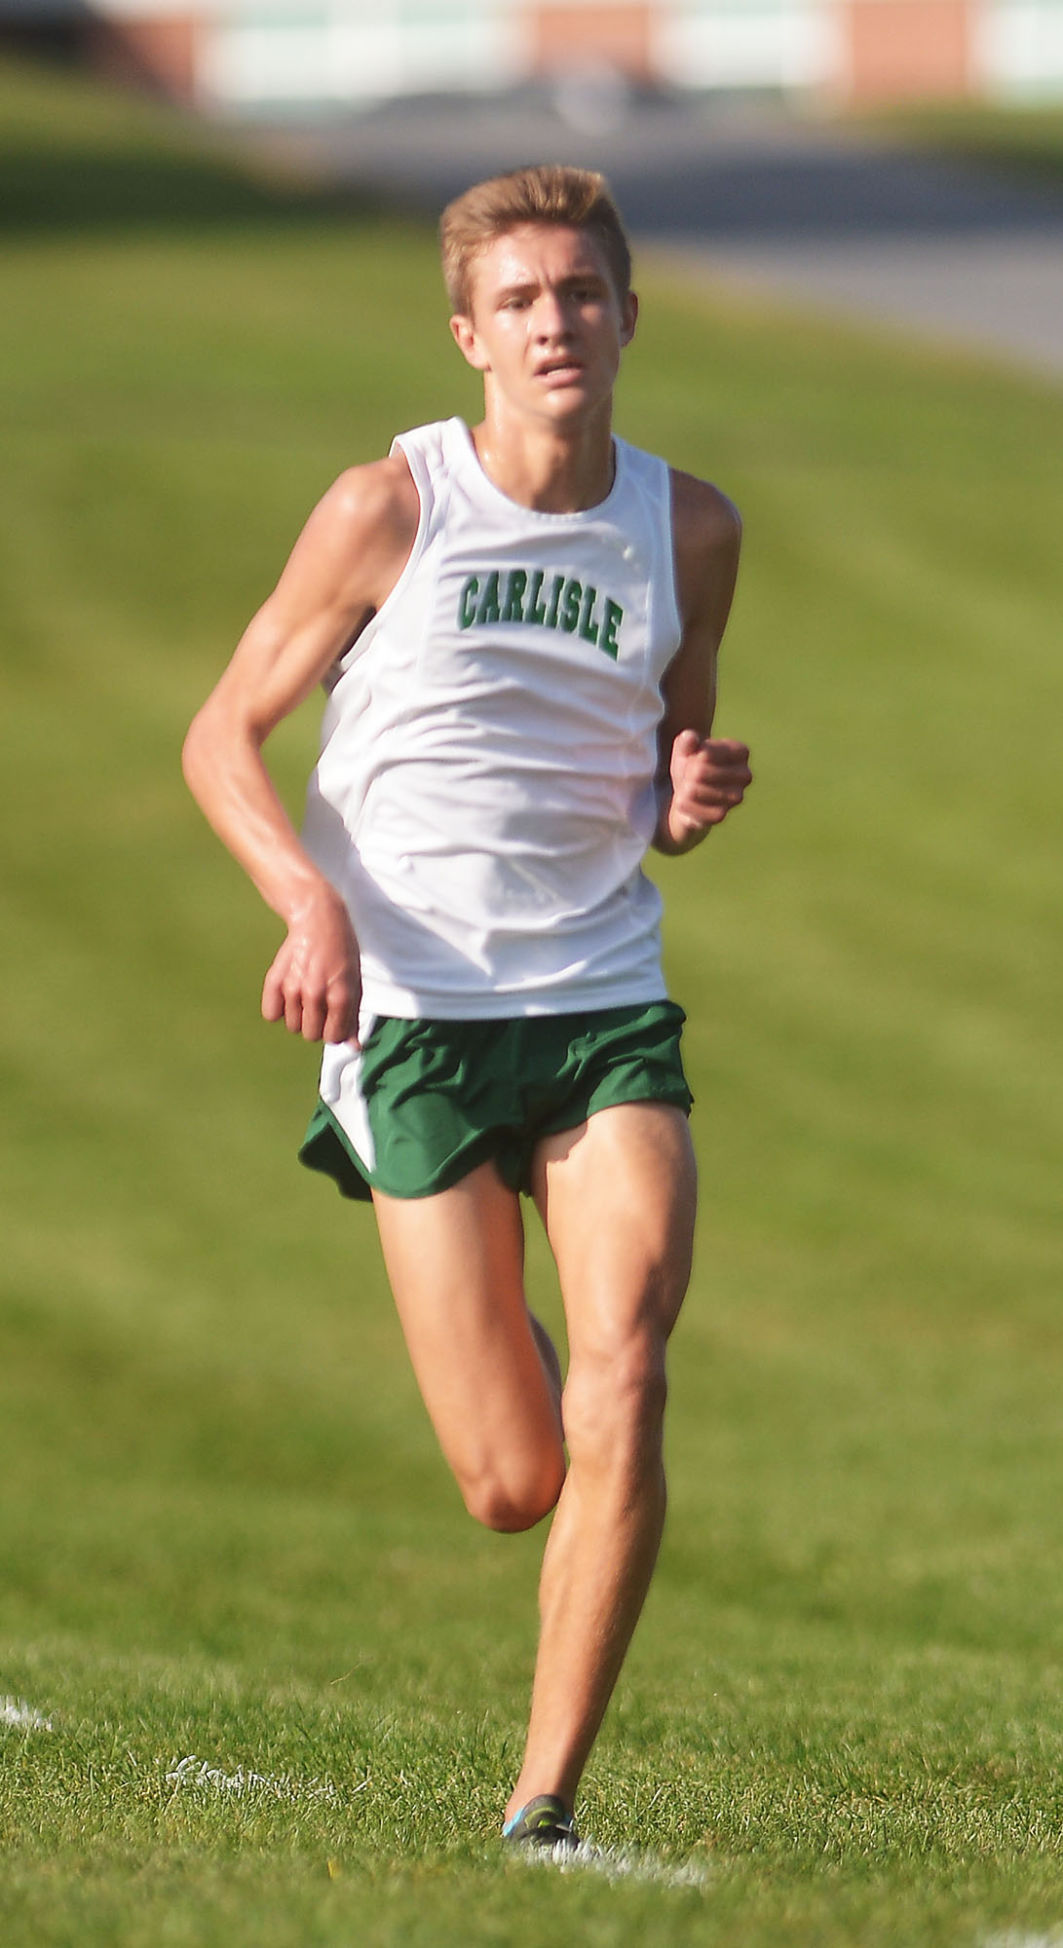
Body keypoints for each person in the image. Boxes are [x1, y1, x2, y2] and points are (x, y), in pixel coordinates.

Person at [182, 164, 751, 1851]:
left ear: (629, 315)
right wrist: (309, 900)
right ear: (469, 337)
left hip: (599, 999)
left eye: (579, 294)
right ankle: (543, 1420)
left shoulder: (690, 529)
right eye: (519, 302)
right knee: (515, 1481)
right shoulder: (391, 507)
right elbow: (220, 737)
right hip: (414, 1012)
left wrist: (687, 794)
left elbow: (665, 764)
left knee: (628, 1367)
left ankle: (544, 1801)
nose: (553, 323)